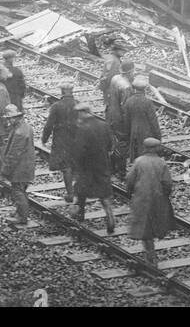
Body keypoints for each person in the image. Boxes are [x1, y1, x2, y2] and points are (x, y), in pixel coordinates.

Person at [126, 138, 174, 266]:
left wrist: (130, 193)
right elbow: (167, 183)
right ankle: (151, 254)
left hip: (141, 197)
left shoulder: (139, 161)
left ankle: (150, 255)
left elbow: (130, 180)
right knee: (153, 224)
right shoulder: (161, 163)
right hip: (157, 198)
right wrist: (165, 195)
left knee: (144, 226)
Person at [70, 104, 116, 235]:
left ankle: (80, 216)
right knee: (104, 194)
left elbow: (79, 151)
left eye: (79, 113)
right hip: (102, 165)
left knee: (81, 191)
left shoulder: (82, 129)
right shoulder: (103, 125)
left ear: (84, 113)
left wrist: (76, 167)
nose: (78, 115)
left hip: (86, 167)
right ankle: (110, 218)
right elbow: (110, 145)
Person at [0, 104, 35, 227]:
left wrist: (4, 171)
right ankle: (20, 212)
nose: (8, 121)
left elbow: (13, 155)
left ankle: (22, 217)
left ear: (16, 117)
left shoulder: (19, 132)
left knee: (18, 191)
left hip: (20, 168)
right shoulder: (26, 127)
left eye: (10, 118)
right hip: (26, 165)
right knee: (22, 190)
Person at [40, 83, 78, 202]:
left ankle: (70, 193)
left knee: (66, 167)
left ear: (62, 92)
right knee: (76, 164)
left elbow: (49, 125)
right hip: (77, 137)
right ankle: (79, 192)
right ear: (72, 92)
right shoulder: (78, 104)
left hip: (62, 138)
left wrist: (44, 138)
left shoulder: (56, 106)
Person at [106, 60, 135, 177]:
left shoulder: (115, 78)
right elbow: (125, 108)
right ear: (130, 71)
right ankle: (121, 171)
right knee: (123, 143)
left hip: (110, 114)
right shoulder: (127, 87)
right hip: (120, 120)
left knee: (114, 141)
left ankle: (111, 167)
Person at [123, 76, 161, 161]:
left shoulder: (129, 101)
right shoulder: (148, 102)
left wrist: (127, 135)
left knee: (136, 155)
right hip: (147, 133)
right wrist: (158, 137)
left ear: (134, 89)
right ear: (144, 90)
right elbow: (153, 121)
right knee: (145, 155)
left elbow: (126, 122)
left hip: (133, 132)